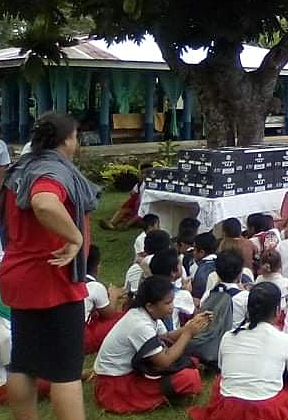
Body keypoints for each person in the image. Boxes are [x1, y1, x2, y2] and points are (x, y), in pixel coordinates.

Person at [0, 113, 99, 420]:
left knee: (23, 363)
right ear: (65, 139)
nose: (77, 142)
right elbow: (44, 202)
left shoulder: (21, 167)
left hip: (21, 275)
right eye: (76, 136)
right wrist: (75, 236)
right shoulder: (49, 170)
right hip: (51, 279)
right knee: (65, 371)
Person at [187, 283, 288, 420]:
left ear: (247, 310)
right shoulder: (285, 339)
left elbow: (224, 371)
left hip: (228, 411)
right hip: (266, 411)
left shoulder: (228, 336)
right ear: (278, 311)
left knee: (220, 383)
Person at [93, 276, 210, 414]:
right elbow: (164, 361)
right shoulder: (139, 324)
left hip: (129, 373)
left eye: (172, 301)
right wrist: (188, 333)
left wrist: (190, 326)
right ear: (150, 306)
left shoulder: (146, 314)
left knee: (191, 363)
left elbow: (166, 337)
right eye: (167, 303)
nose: (172, 307)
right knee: (188, 378)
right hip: (115, 386)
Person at [83, 245, 125, 354]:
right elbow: (109, 314)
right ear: (97, 267)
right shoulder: (95, 286)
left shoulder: (69, 281)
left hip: (63, 331)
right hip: (82, 338)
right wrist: (113, 295)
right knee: (124, 318)